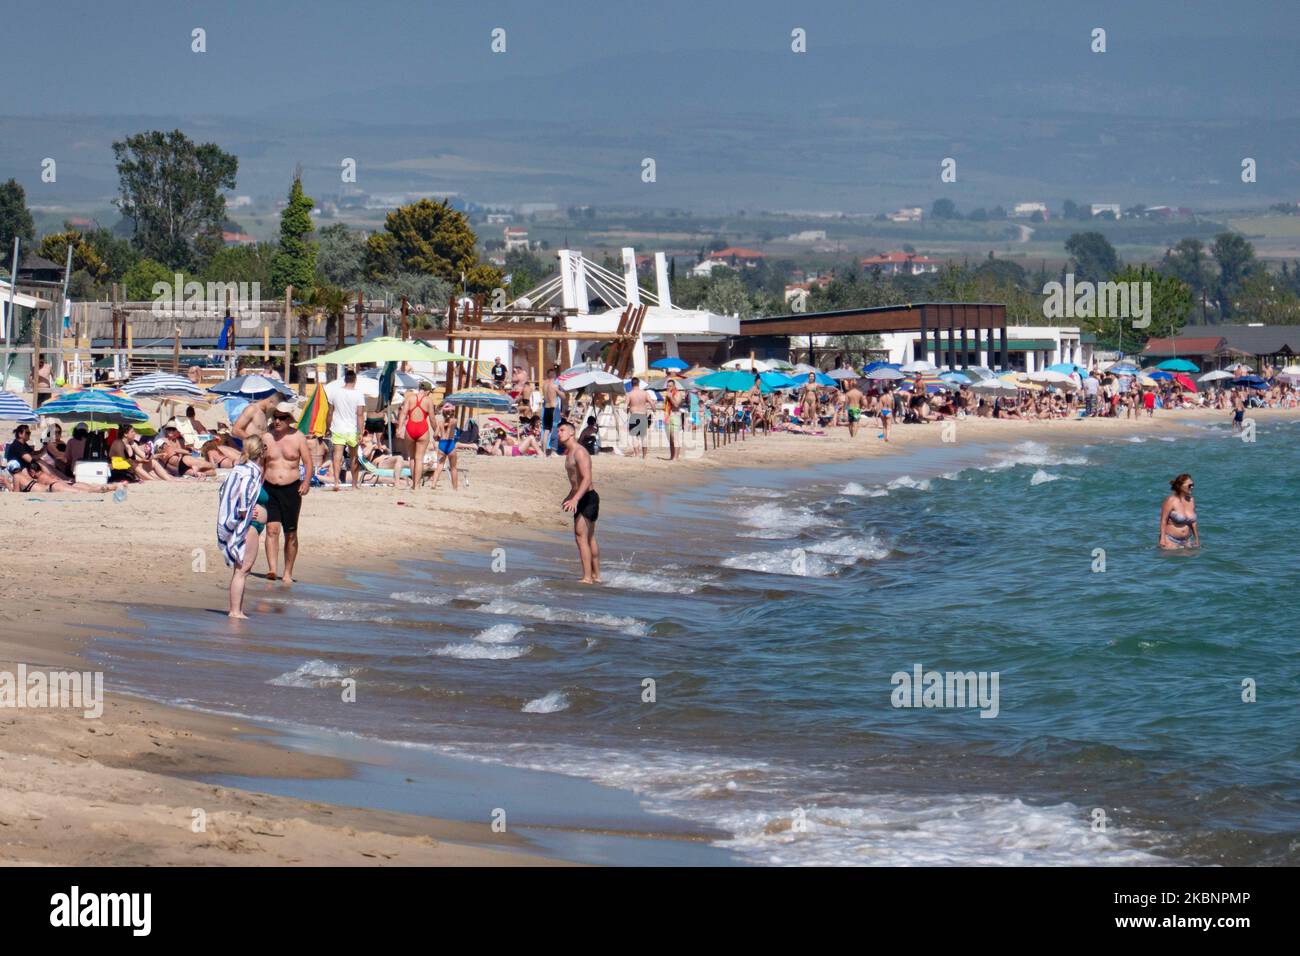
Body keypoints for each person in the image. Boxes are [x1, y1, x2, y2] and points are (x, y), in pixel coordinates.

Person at [218, 434, 268, 619]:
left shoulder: (241, 469)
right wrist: (245, 510)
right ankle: (235, 611)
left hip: (250, 524)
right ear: (260, 452)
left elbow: (224, 491)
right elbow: (244, 492)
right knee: (243, 569)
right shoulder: (250, 472)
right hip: (249, 525)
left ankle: (237, 609)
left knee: (241, 569)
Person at [263, 403, 311, 585]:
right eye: (275, 417)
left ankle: (287, 573)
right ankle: (272, 569)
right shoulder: (266, 437)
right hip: (269, 487)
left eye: (281, 418)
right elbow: (261, 463)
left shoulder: (298, 437)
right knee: (271, 529)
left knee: (290, 533)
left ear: (289, 419)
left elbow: (308, 463)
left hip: (291, 489)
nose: (277, 421)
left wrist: (306, 482)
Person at [557, 420, 600, 584]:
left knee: (580, 536)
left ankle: (587, 578)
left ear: (571, 433)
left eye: (562, 430)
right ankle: (596, 576)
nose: (559, 433)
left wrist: (575, 498)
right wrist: (570, 495)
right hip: (581, 497)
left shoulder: (579, 452)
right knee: (588, 538)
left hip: (588, 497)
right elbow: (576, 480)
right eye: (558, 430)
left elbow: (587, 478)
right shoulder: (570, 452)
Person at [325, 369, 367, 490]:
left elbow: (330, 412)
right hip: (352, 429)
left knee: (337, 456)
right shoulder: (359, 394)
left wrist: (328, 427)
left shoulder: (334, 392)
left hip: (338, 427)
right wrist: (360, 432)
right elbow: (360, 415)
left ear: (344, 380)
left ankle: (336, 483)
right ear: (355, 380)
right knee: (354, 457)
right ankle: (354, 485)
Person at [396, 380, 434, 488]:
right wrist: (436, 431)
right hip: (422, 429)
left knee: (412, 458)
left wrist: (399, 428)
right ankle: (417, 486)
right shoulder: (428, 400)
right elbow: (432, 419)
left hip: (410, 428)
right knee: (419, 459)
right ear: (427, 391)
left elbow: (403, 413)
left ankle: (413, 484)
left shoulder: (410, 398)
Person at [1159, 473, 1199, 550]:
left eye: (1193, 485)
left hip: (1187, 540)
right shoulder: (1171, 500)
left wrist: (1197, 540)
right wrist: (1162, 539)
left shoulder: (1191, 500)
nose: (1192, 487)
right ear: (1180, 486)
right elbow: (1163, 520)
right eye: (1189, 485)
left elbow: (1193, 523)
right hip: (1170, 539)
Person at [430, 403, 460, 490]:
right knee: (453, 468)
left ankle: (433, 484)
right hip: (450, 444)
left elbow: (435, 435)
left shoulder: (440, 423)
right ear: (452, 413)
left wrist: (439, 438)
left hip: (442, 444)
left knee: (439, 466)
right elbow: (451, 422)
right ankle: (455, 488)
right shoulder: (454, 421)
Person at [626, 377, 652, 459]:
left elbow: (625, 406)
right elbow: (651, 402)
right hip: (643, 415)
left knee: (634, 437)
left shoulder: (629, 394)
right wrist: (654, 409)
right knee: (643, 437)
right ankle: (644, 455)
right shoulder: (644, 393)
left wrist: (627, 410)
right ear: (639, 383)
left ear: (631, 384)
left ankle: (637, 454)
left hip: (634, 415)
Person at [541, 366, 561, 455]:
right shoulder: (554, 385)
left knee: (546, 431)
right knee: (555, 429)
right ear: (554, 376)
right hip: (553, 408)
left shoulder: (544, 385)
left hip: (546, 408)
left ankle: (544, 452)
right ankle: (553, 451)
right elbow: (563, 396)